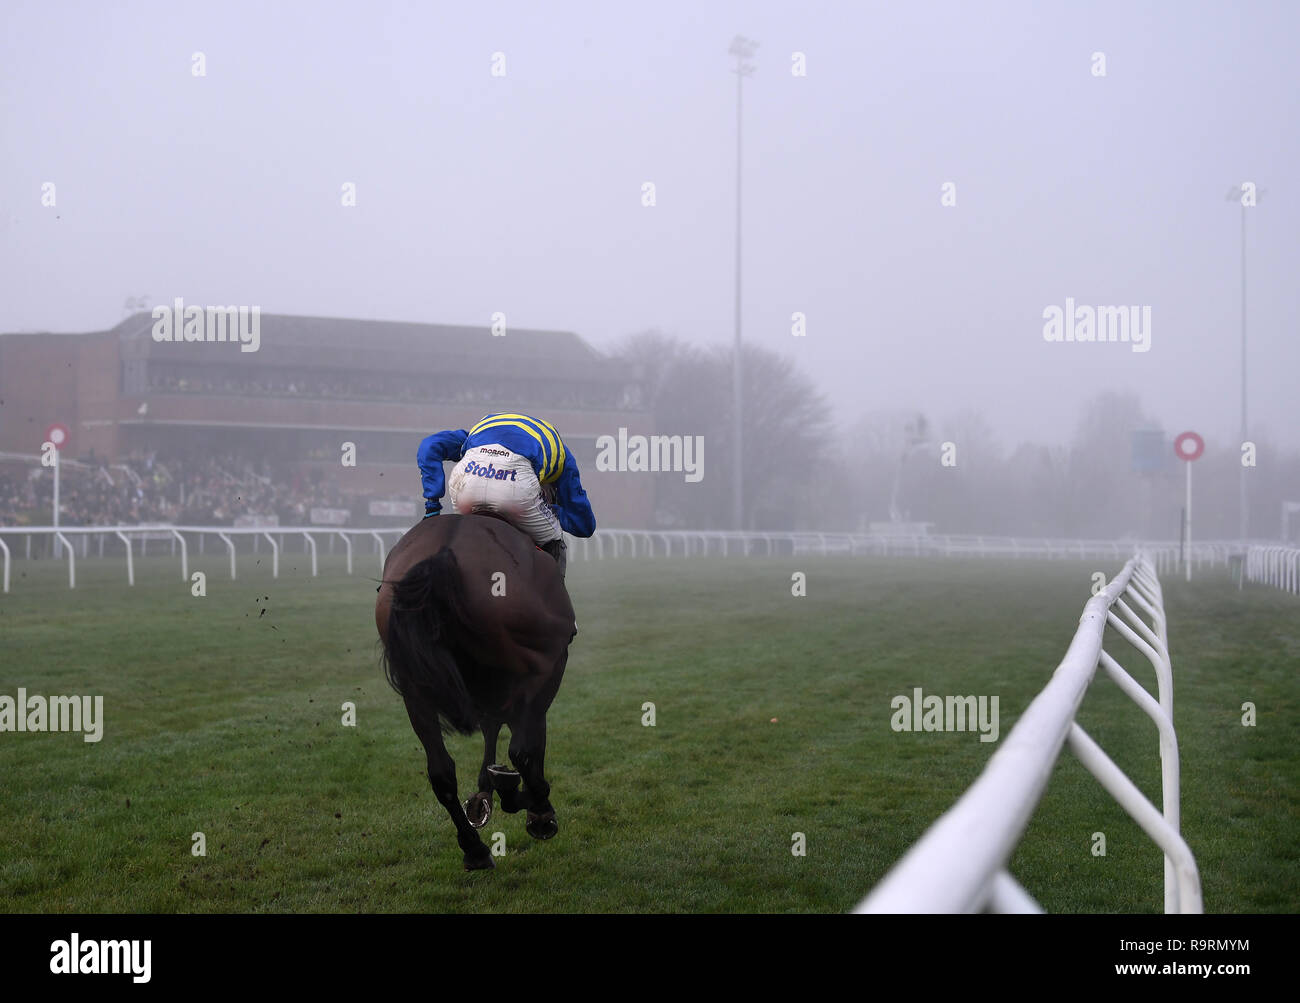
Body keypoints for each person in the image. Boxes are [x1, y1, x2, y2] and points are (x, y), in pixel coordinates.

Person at [416, 412, 595, 577]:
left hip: (466, 481)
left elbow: (429, 446)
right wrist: (553, 509)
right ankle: (554, 600)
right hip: (516, 489)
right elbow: (584, 526)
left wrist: (432, 505)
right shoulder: (562, 455)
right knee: (554, 537)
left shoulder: (474, 436)